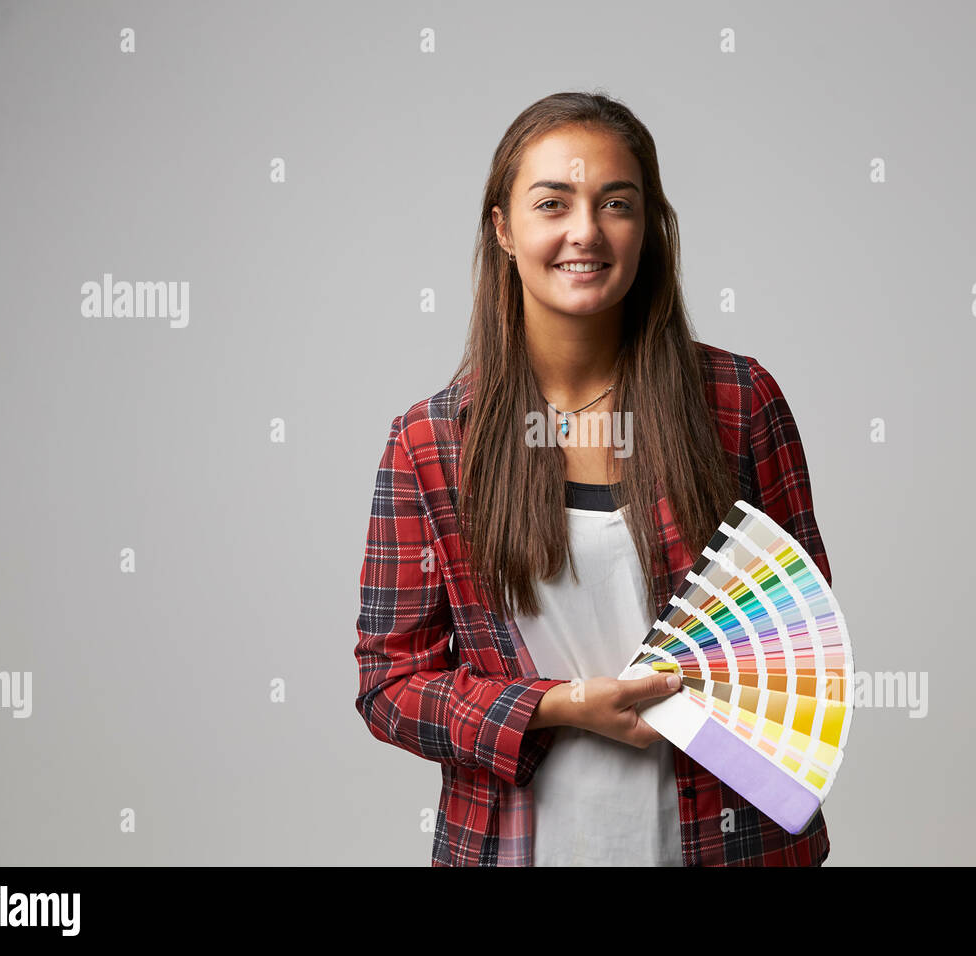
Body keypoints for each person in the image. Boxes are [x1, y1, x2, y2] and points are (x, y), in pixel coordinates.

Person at [354, 91, 834, 866]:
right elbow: (390, 683)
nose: (586, 231)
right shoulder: (431, 443)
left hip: (729, 842)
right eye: (554, 203)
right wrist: (553, 706)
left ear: (648, 228)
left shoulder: (739, 403)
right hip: (515, 845)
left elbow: (802, 641)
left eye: (617, 202)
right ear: (504, 230)